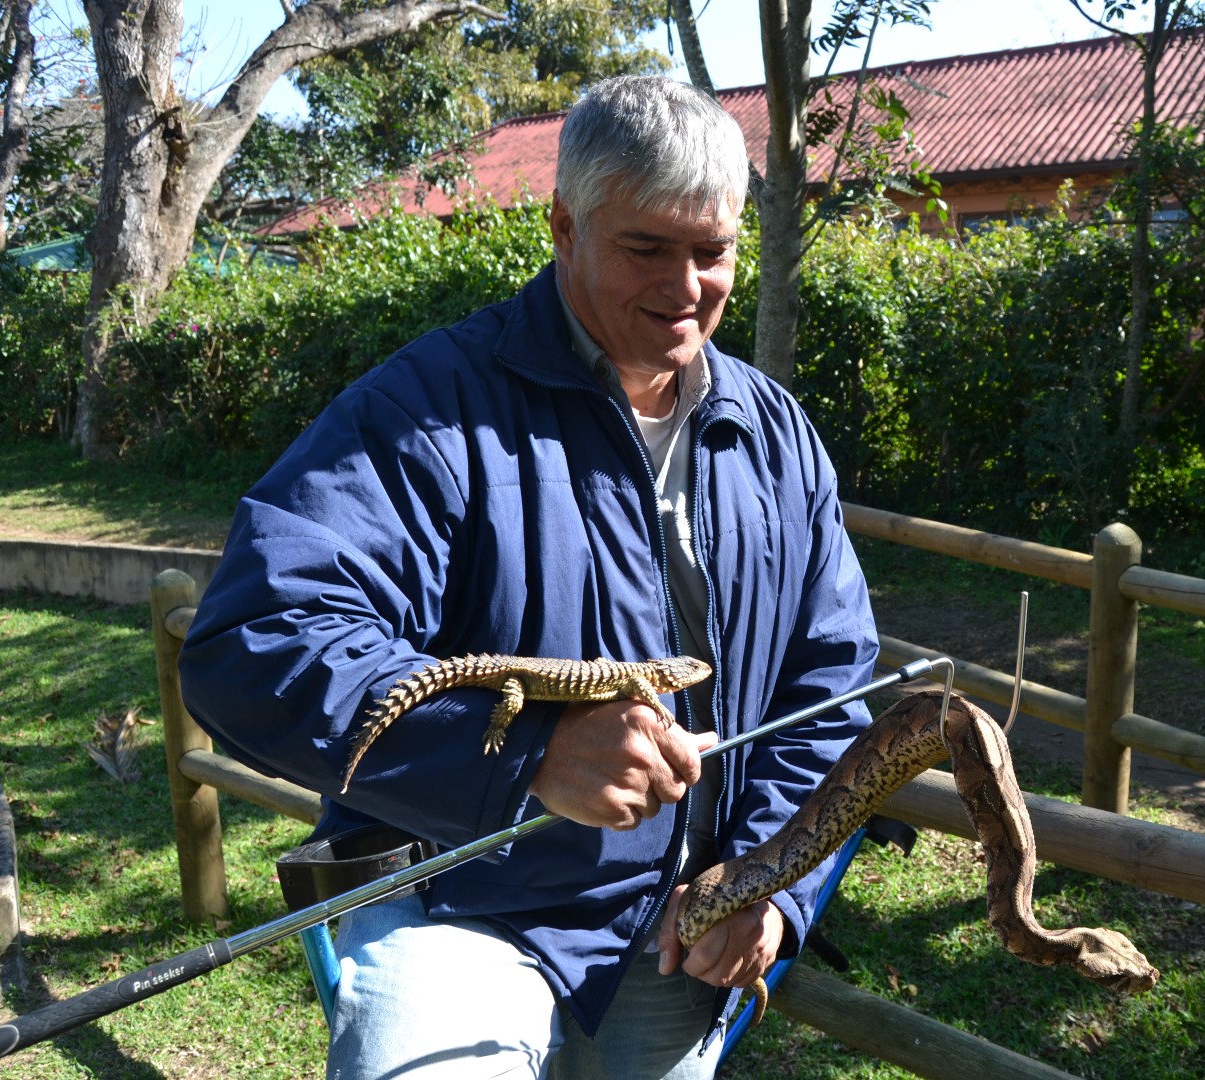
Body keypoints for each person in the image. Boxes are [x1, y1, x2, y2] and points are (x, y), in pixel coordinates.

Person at [179, 75, 879, 1079]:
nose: (687, 287)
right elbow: (255, 640)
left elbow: (832, 686)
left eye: (713, 251)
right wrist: (522, 759)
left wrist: (772, 882)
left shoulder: (777, 437)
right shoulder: (423, 413)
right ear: (562, 224)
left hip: (679, 931)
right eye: (646, 247)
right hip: (454, 903)